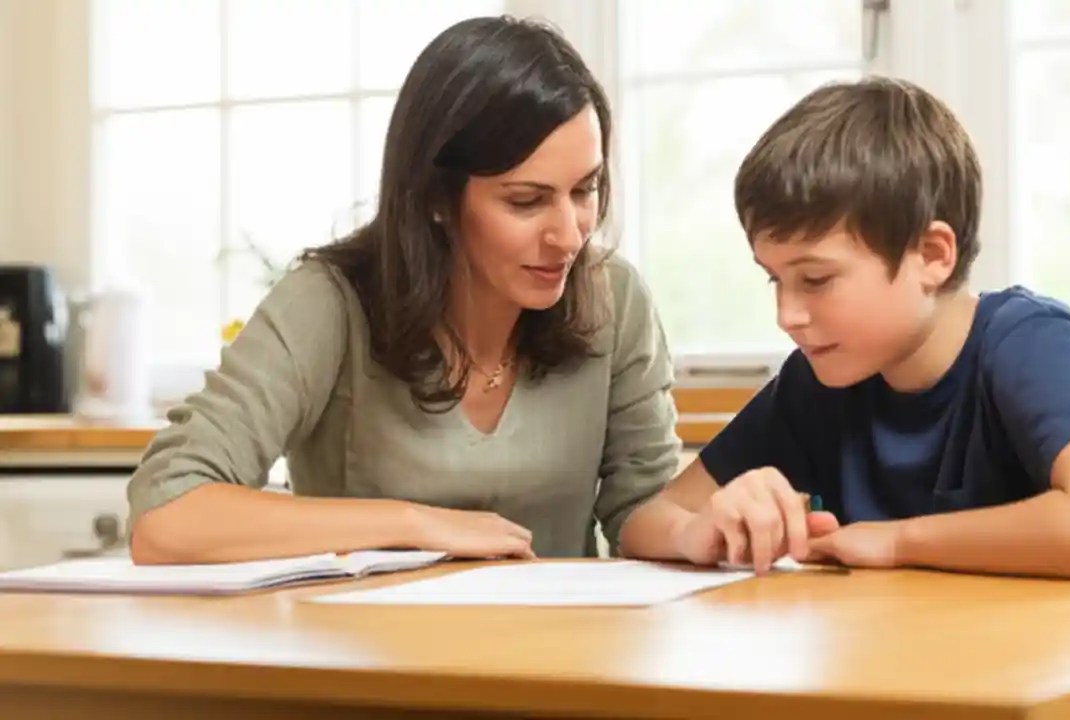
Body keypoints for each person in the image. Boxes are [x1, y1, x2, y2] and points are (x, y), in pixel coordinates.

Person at [126, 16, 688, 564]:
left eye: (585, 189)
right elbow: (167, 512)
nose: (569, 234)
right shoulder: (329, 303)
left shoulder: (613, 297)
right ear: (436, 200)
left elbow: (641, 506)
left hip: (559, 656)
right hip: (371, 654)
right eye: (526, 201)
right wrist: (413, 524)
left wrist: (698, 531)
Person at [622, 77, 1070, 580]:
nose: (787, 315)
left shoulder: (1033, 342)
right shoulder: (818, 380)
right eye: (774, 281)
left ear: (931, 256)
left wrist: (900, 541)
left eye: (815, 279)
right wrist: (700, 530)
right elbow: (644, 524)